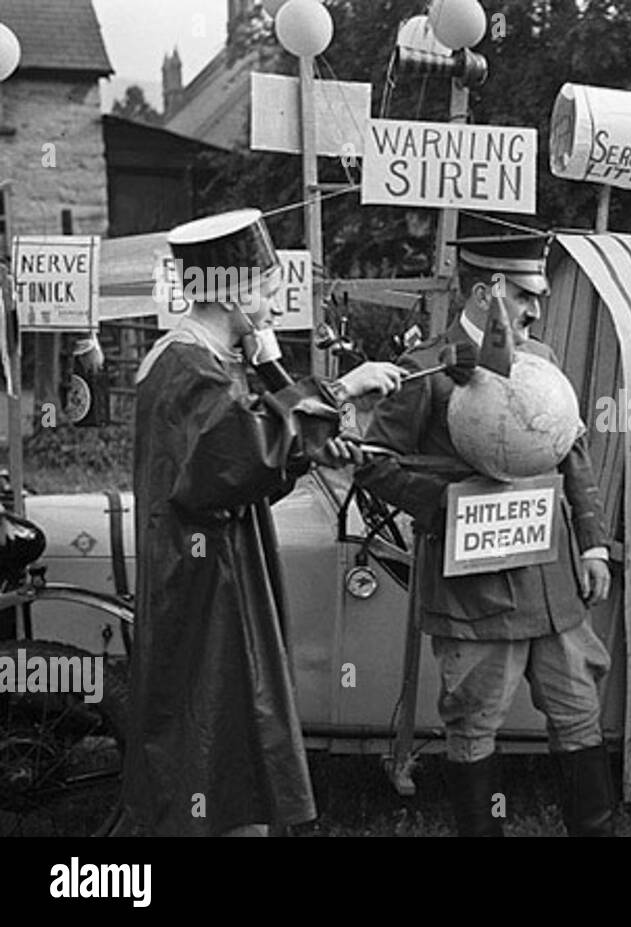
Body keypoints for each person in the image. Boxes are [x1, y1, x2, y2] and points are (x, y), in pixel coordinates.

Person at [118, 209, 404, 836]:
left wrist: (305, 431)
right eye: (268, 293)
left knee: (227, 715)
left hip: (210, 564)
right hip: (206, 578)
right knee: (215, 715)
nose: (275, 306)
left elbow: (251, 459)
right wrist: (342, 391)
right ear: (235, 293)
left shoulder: (203, 356)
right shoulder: (189, 368)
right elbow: (239, 456)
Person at [355, 231, 617, 837]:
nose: (534, 311)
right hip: (474, 587)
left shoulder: (542, 361)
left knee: (578, 708)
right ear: (483, 293)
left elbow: (571, 451)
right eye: (523, 295)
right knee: (474, 721)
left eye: (537, 297)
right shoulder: (427, 370)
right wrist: (446, 506)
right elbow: (372, 462)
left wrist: (593, 542)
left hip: (549, 581)